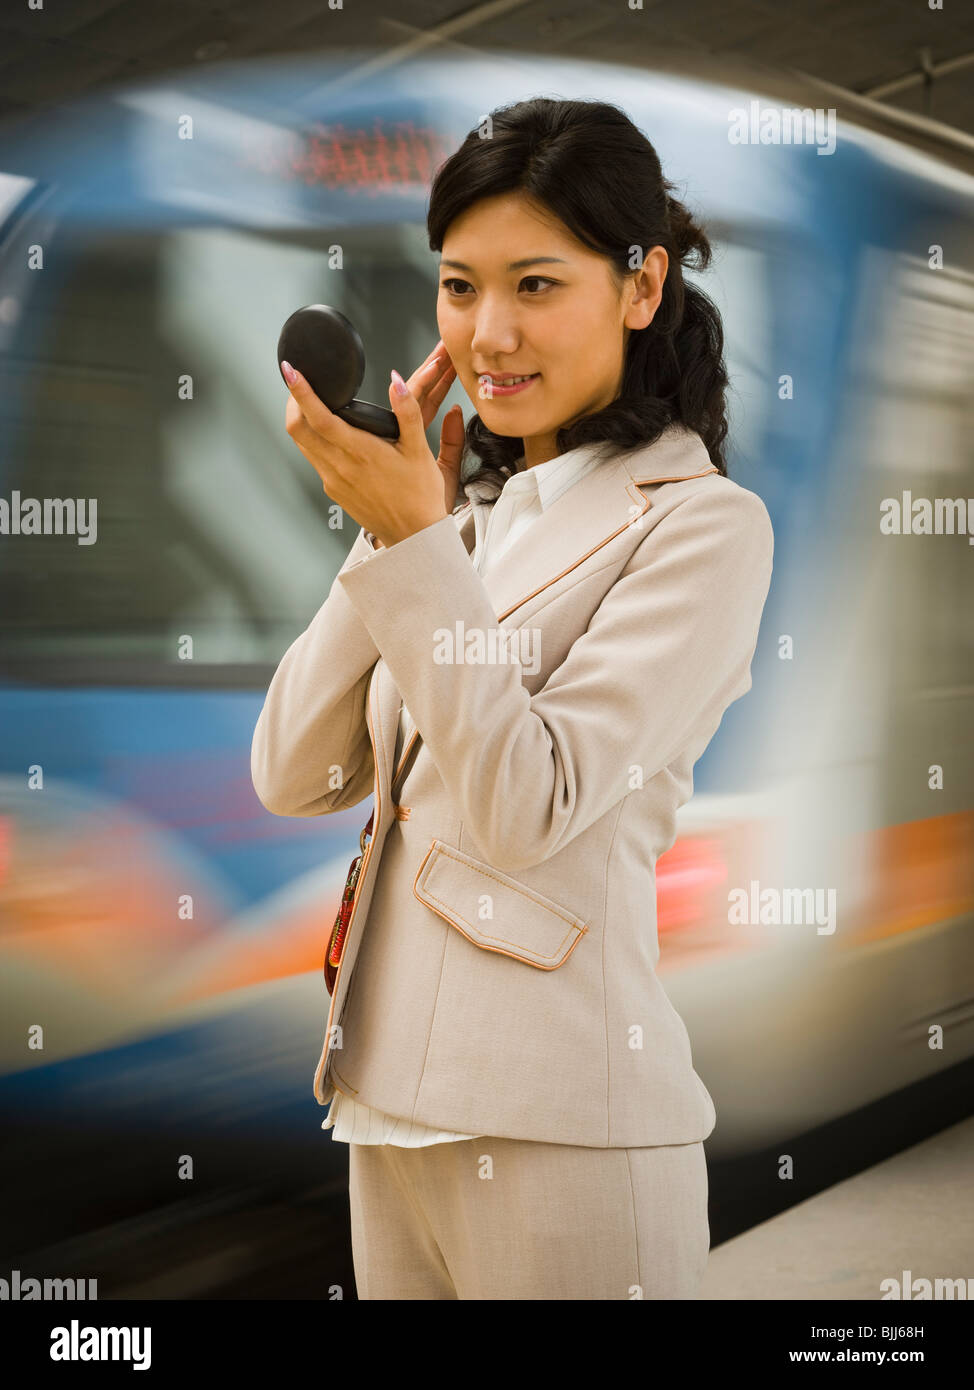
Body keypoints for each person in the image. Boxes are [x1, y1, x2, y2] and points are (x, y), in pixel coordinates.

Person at [251, 96, 774, 1299]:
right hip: (381, 1108)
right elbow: (290, 770)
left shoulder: (700, 528)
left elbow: (527, 805)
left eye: (535, 285)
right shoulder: (460, 520)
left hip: (565, 1132)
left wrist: (417, 548)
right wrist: (387, 544)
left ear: (640, 288)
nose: (488, 332)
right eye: (457, 286)